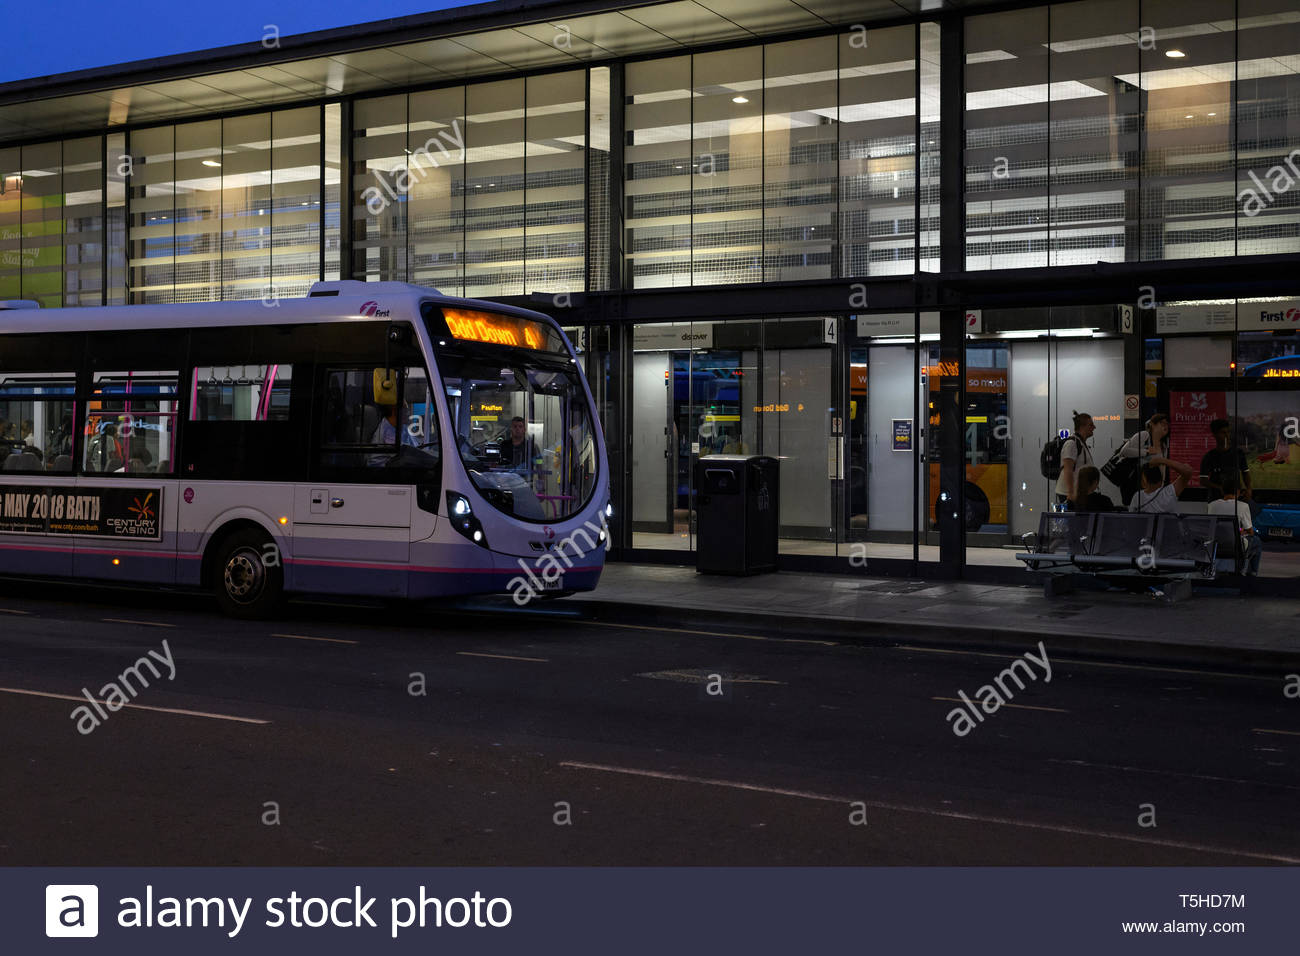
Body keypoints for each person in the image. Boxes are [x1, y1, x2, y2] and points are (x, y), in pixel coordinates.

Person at [1208, 476, 1261, 575]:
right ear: (1238, 491)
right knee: (1257, 541)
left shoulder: (1211, 505)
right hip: (1236, 547)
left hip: (1215, 546)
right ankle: (1253, 573)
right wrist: (1240, 530)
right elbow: (1251, 532)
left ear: (1222, 491)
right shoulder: (1243, 506)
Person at [1114, 413, 1172, 504]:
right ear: (1152, 424)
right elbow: (1124, 451)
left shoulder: (1163, 445)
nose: (1165, 426)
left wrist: (1162, 486)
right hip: (1135, 483)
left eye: (1167, 424)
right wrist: (1146, 452)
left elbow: (1162, 467)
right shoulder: (1144, 435)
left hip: (1153, 487)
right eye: (1162, 423)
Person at [1199, 418, 1251, 502]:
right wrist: (1219, 487)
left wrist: (1248, 489)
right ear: (1214, 434)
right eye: (1223, 432)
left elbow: (1245, 473)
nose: (1227, 435)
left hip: (1236, 499)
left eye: (1228, 432)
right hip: (1216, 499)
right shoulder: (1209, 456)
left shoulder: (1238, 453)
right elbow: (1203, 480)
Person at [1054, 411, 1095, 505]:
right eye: (1091, 425)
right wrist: (1071, 492)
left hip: (1078, 493)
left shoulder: (1080, 443)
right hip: (1070, 494)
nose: (1094, 427)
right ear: (1082, 426)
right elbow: (1067, 469)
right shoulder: (1072, 444)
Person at [1129, 459, 1195, 513]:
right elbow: (1188, 471)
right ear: (1160, 478)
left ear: (1144, 480)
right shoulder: (1169, 493)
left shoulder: (1137, 497)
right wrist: (1162, 461)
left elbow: (1132, 520)